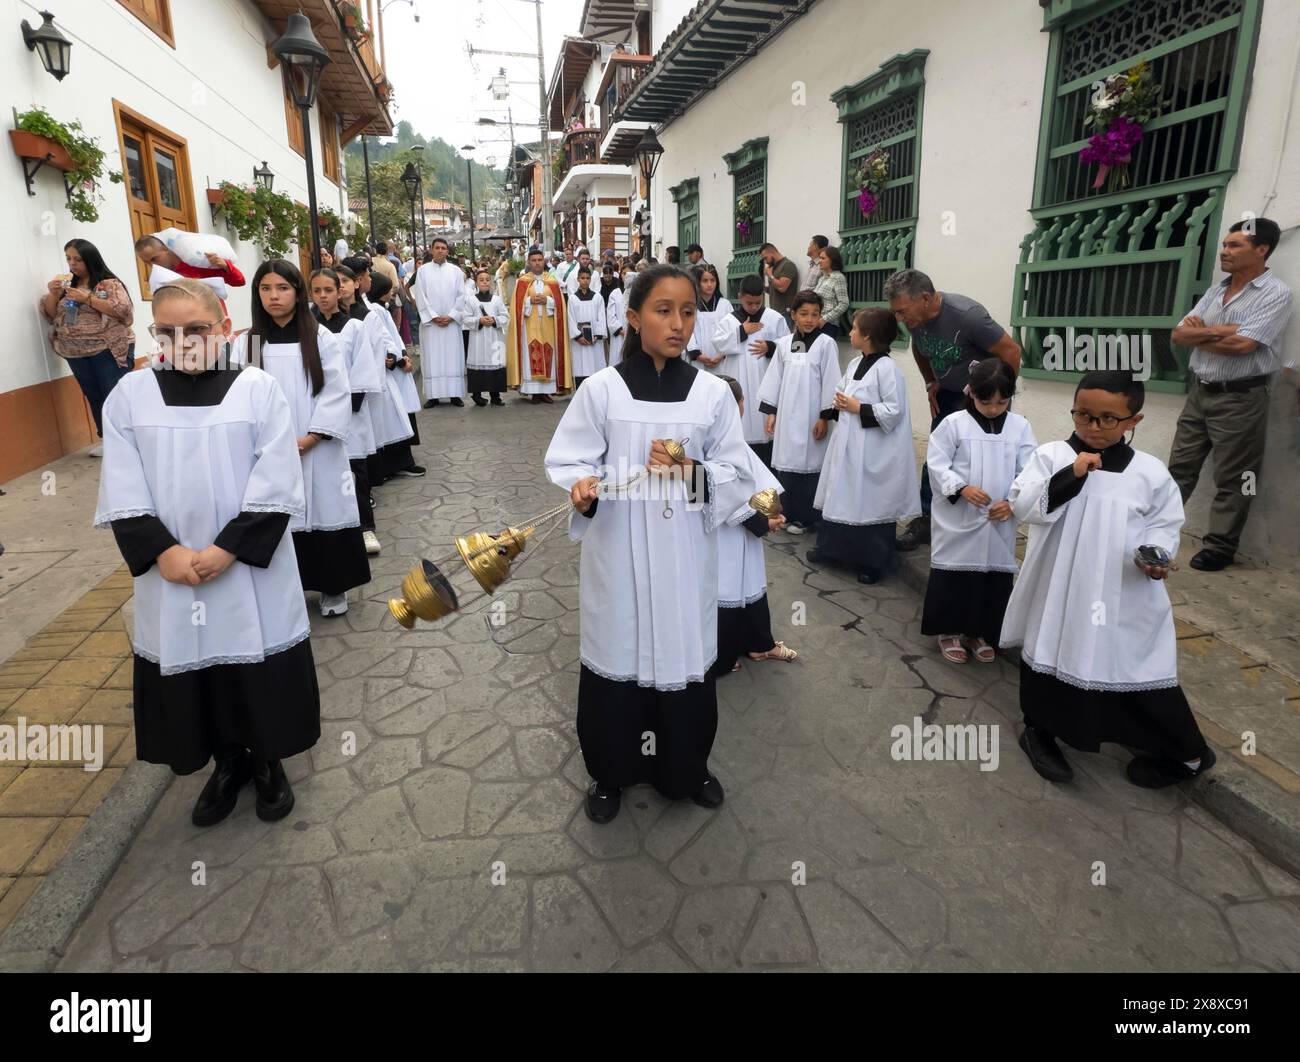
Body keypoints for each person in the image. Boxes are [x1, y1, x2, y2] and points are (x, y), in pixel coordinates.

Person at [95, 278, 318, 825]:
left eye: (196, 329)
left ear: (223, 328)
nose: (183, 343)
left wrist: (229, 549)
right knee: (197, 669)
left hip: (246, 567)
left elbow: (278, 475)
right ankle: (226, 764)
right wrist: (161, 551)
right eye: (167, 332)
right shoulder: (130, 395)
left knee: (255, 663)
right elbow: (122, 483)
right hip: (171, 571)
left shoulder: (258, 389)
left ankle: (267, 763)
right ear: (153, 336)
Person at [544, 264, 760, 824]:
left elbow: (737, 472)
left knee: (684, 650)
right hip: (618, 547)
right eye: (663, 311)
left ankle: (684, 769)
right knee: (619, 648)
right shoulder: (601, 390)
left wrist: (691, 469)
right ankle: (610, 773)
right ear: (634, 318)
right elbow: (571, 458)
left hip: (685, 552)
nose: (678, 323)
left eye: (688, 311)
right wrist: (583, 487)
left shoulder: (712, 394)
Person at [1002, 370, 1214, 789]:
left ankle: (1186, 754)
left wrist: (1157, 556)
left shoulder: (1151, 473)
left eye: (1107, 419)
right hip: (1059, 583)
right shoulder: (1051, 456)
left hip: (1123, 590)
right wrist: (1072, 475)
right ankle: (1040, 732)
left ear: (1133, 421)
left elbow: (1164, 523)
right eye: (1083, 415)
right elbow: (1024, 505)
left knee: (1137, 661)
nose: (1093, 427)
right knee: (1052, 648)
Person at [232, 260, 370, 618]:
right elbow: (239, 395)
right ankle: (282, 591)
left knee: (323, 509)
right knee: (274, 515)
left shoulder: (319, 337)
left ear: (297, 292)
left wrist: (312, 437)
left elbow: (337, 390)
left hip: (316, 447)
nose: (274, 296)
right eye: (265, 288)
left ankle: (332, 587)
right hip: (267, 450)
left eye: (282, 288)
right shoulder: (249, 341)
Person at [1167, 217, 1293, 571]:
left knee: (1238, 477)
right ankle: (1158, 529)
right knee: (1179, 467)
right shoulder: (1214, 291)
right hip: (1200, 393)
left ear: (1262, 250)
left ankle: (1221, 546)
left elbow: (1243, 345)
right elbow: (1178, 335)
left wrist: (1203, 333)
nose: (1224, 251)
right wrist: (1220, 330)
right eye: (1224, 244)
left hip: (1242, 398)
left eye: (1235, 245)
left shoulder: (1276, 293)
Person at [884, 268, 1022, 551]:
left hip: (979, 402)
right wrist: (931, 381)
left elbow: (1011, 352)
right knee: (938, 457)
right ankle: (926, 520)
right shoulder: (915, 320)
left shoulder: (967, 316)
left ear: (924, 298)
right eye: (895, 313)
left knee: (977, 459)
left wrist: (999, 395)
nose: (899, 319)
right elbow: (920, 350)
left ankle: (978, 521)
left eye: (902, 311)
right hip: (947, 396)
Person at [921, 358, 1036, 663]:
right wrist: (961, 487)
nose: (994, 408)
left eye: (1002, 401)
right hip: (960, 517)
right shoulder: (953, 424)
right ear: (971, 393)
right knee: (955, 574)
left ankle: (980, 632)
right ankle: (949, 631)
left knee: (992, 578)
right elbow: (937, 462)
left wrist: (1013, 503)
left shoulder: (1020, 427)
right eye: (986, 401)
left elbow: (1030, 471)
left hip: (999, 517)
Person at [809, 308, 919, 584]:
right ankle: (832, 550)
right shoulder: (856, 363)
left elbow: (894, 411)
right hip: (847, 444)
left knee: (869, 502)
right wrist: (839, 403)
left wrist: (859, 407)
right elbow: (843, 391)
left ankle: (872, 561)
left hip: (873, 449)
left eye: (854, 328)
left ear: (868, 335)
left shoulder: (889, 369)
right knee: (842, 495)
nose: (850, 332)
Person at [712, 374, 797, 676]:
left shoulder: (734, 441)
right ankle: (722, 657)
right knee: (726, 589)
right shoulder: (708, 446)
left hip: (747, 532)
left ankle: (759, 643)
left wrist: (773, 512)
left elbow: (758, 483)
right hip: (721, 536)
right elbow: (719, 496)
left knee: (750, 584)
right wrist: (763, 521)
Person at [311, 267, 383, 557]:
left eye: (329, 289)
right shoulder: (307, 329)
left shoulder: (354, 327)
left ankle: (365, 528)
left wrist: (346, 407)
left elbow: (364, 369)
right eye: (317, 291)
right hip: (314, 414)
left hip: (350, 414)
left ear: (339, 291)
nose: (323, 296)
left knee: (355, 475)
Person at [39, 239, 135, 455]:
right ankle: (107, 440)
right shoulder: (66, 287)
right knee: (93, 394)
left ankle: (128, 439)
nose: (72, 264)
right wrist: (53, 294)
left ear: (90, 259)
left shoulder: (108, 284)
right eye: (68, 259)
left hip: (106, 349)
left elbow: (123, 312)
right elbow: (52, 315)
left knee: (114, 394)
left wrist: (88, 298)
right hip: (75, 352)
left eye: (77, 259)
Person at [758, 290, 839, 533]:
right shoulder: (784, 345)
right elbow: (775, 379)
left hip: (813, 416)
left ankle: (807, 518)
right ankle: (786, 513)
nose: (809, 319)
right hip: (787, 414)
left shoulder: (826, 344)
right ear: (793, 314)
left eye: (815, 314)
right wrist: (771, 412)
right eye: (803, 313)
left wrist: (824, 417)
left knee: (812, 465)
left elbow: (831, 381)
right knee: (786, 464)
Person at [338, 265, 417, 490]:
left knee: (362, 440)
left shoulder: (363, 316)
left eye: (345, 281)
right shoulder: (314, 320)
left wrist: (394, 356)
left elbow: (381, 341)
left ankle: (365, 488)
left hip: (362, 386)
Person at [711, 273, 789, 467]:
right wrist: (742, 331)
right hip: (739, 378)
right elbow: (718, 344)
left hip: (765, 378)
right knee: (741, 427)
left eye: (757, 302)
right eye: (749, 303)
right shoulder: (730, 320)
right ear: (740, 296)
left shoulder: (774, 318)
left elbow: (789, 345)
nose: (753, 307)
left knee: (766, 432)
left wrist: (770, 347)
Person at [506, 247, 573, 404]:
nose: (537, 263)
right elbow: (515, 305)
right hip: (529, 326)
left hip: (549, 325)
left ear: (544, 261)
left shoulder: (552, 281)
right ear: (529, 262)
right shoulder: (522, 281)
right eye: (534, 260)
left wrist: (548, 301)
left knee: (549, 354)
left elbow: (560, 305)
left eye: (539, 260)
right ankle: (534, 392)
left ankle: (546, 392)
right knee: (532, 355)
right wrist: (529, 301)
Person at [413, 238, 467, 408]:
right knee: (432, 358)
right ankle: (433, 396)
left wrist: (451, 316)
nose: (440, 251)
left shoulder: (456, 271)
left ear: (447, 251)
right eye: (437, 248)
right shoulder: (422, 271)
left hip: (451, 324)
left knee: (453, 357)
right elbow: (420, 296)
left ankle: (455, 394)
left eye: (444, 248)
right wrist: (433, 316)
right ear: (431, 250)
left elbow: (462, 296)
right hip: (432, 324)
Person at [460, 268, 509, 406]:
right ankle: (477, 395)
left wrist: (494, 319)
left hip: (494, 338)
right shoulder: (471, 301)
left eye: (487, 280)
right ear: (476, 283)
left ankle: (495, 395)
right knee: (478, 363)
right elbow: (465, 318)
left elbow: (505, 316)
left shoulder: (497, 300)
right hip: (478, 340)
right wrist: (479, 321)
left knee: (495, 363)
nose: (485, 282)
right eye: (481, 280)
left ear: (491, 283)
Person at [134, 234, 246, 291]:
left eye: (154, 259)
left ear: (165, 248)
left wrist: (226, 266)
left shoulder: (197, 263)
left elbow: (239, 281)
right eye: (147, 262)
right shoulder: (160, 279)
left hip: (213, 326)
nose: (152, 265)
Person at [687, 264, 732, 375]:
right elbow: (687, 329)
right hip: (699, 359)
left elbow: (731, 330)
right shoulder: (691, 305)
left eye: (713, 280)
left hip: (721, 359)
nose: (709, 284)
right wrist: (696, 354)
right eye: (705, 281)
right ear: (697, 283)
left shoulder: (725, 305)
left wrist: (722, 354)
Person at [568, 266, 608, 388]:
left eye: (587, 278)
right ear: (578, 280)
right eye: (582, 278)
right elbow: (571, 319)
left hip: (594, 341)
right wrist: (578, 336)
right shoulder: (573, 299)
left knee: (596, 367)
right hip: (579, 342)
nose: (585, 281)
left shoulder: (597, 298)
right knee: (581, 366)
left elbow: (601, 318)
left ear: (591, 280)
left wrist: (597, 335)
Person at [812, 245, 850, 339]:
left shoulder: (838, 278)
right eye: (819, 258)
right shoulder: (822, 278)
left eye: (823, 258)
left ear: (832, 260)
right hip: (816, 322)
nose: (820, 261)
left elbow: (844, 303)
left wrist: (824, 320)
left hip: (828, 325)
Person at [759, 242, 801, 326]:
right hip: (775, 312)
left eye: (766, 258)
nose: (766, 262)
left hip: (785, 313)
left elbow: (782, 288)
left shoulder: (787, 265)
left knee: (785, 338)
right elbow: (772, 291)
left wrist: (770, 275)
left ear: (772, 252)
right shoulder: (773, 268)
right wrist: (761, 284)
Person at [606, 281, 627, 368]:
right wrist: (619, 330)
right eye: (624, 273)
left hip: (633, 333)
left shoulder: (638, 292)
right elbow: (610, 314)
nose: (627, 276)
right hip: (619, 334)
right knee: (617, 361)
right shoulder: (615, 293)